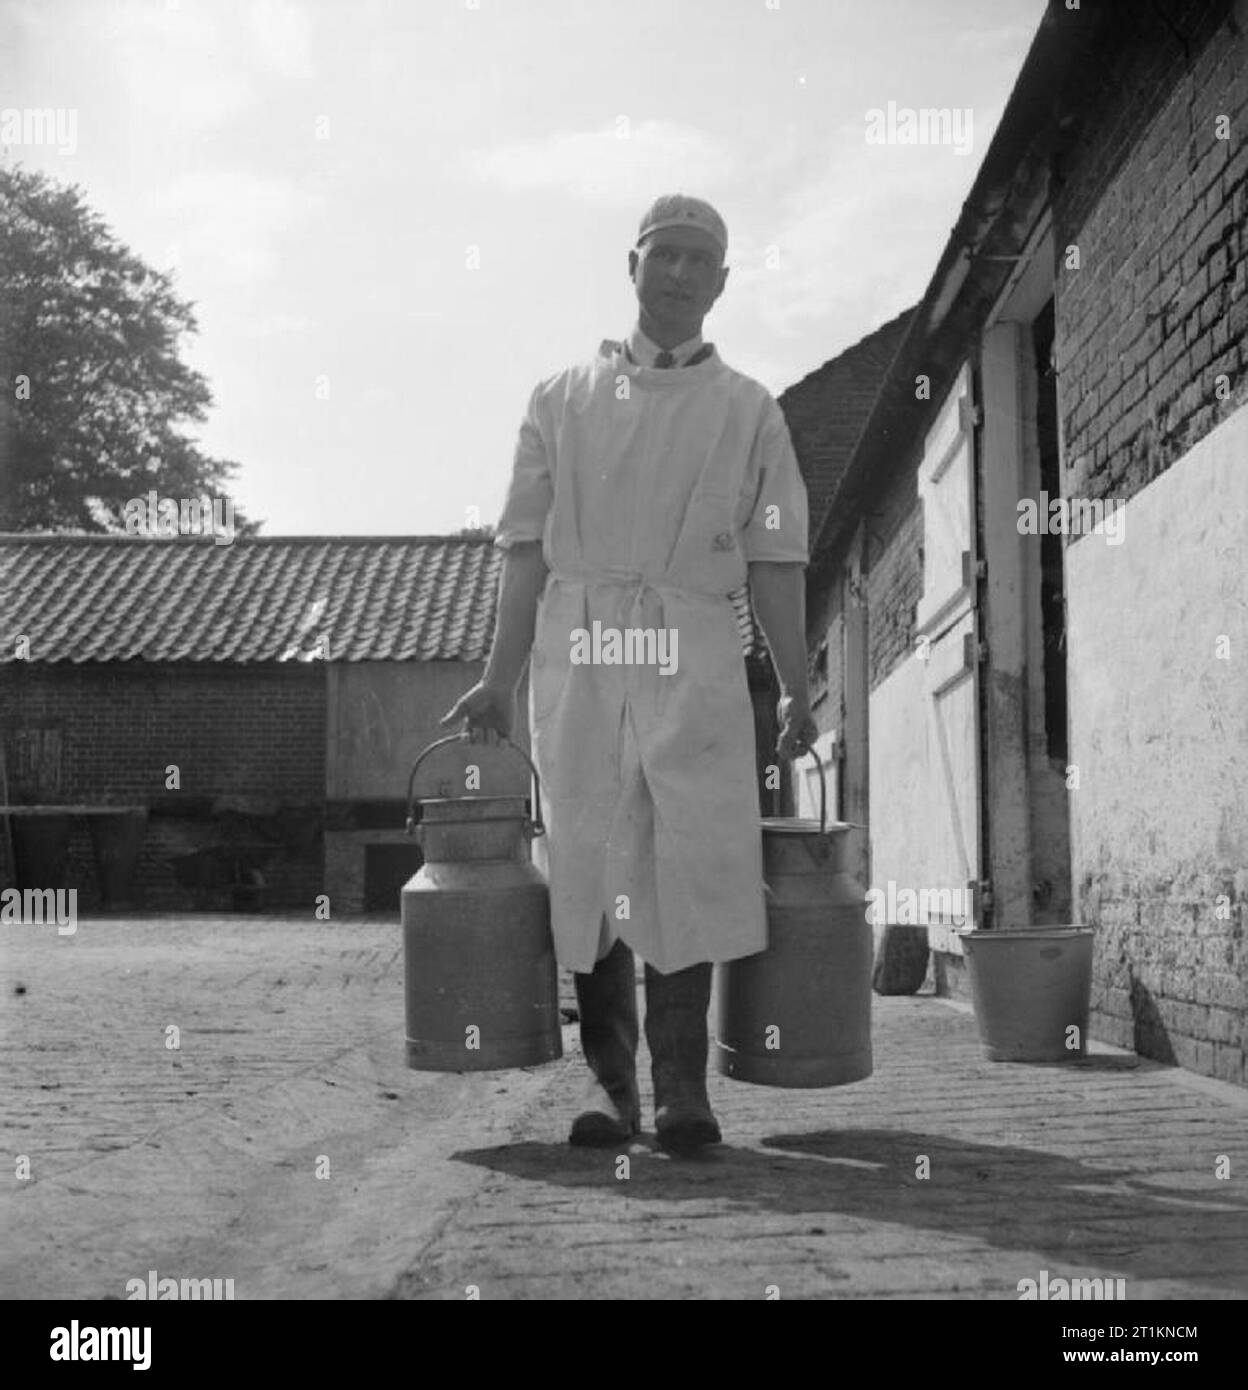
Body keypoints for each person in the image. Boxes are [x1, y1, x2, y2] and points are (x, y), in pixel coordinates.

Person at [442, 194, 817, 1154]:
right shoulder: (559, 397)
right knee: (592, 867)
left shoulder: (749, 410)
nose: (683, 275)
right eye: (667, 256)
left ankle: (685, 1094)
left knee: (688, 858)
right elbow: (523, 550)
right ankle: (614, 1095)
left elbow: (777, 565)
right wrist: (496, 677)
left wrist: (797, 686)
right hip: (583, 650)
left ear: (724, 281)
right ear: (632, 266)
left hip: (691, 648)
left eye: (702, 260)